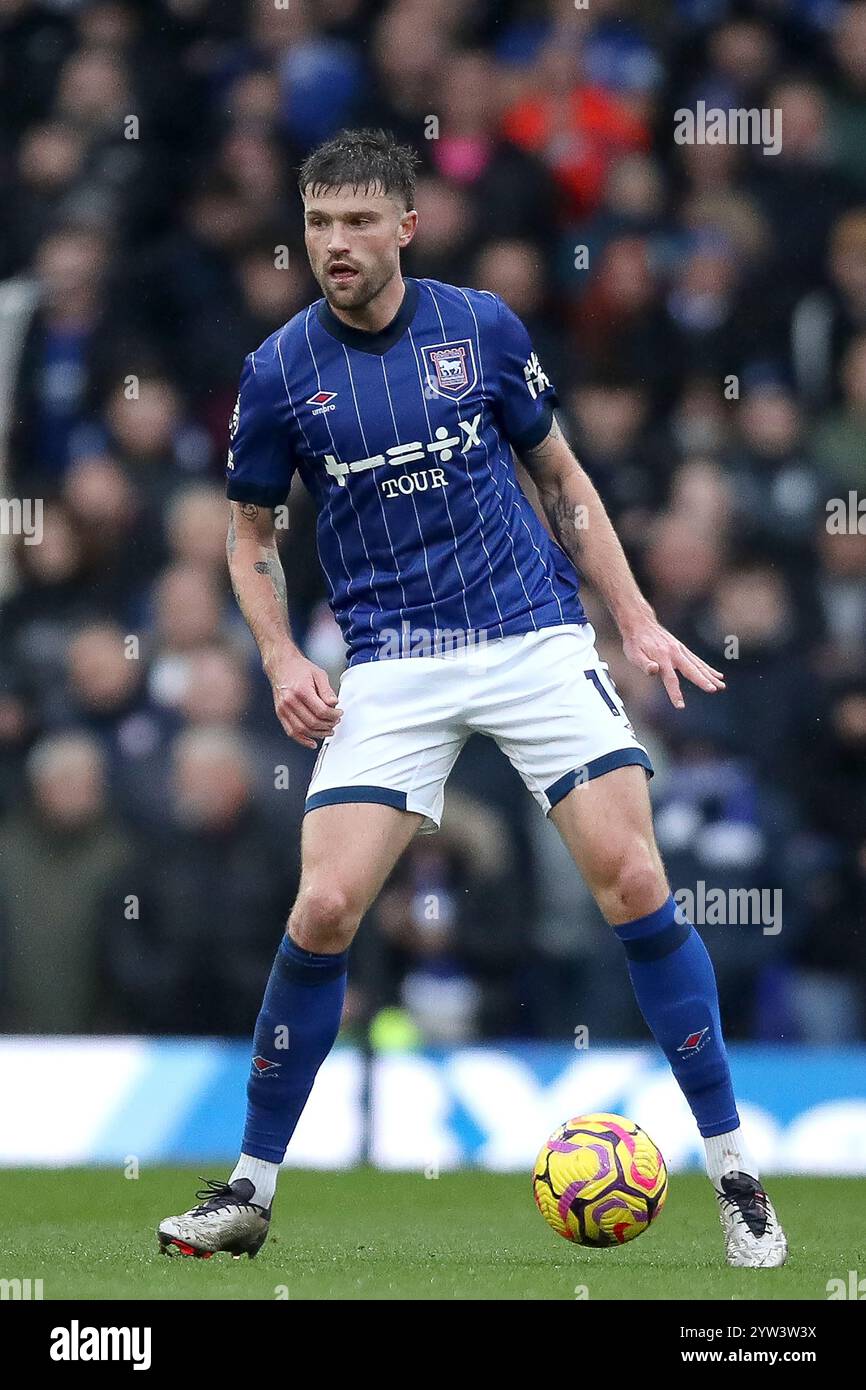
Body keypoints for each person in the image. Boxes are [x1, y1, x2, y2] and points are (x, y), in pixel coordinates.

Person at [158, 129, 786, 1268]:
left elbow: (561, 478)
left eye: (356, 222)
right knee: (324, 909)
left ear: (406, 225)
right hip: (390, 658)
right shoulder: (276, 371)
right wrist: (276, 657)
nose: (332, 244)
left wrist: (633, 617)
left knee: (634, 877)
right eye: (315, 223)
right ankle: (248, 1191)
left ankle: (736, 1173)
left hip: (530, 633)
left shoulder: (479, 327)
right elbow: (249, 538)